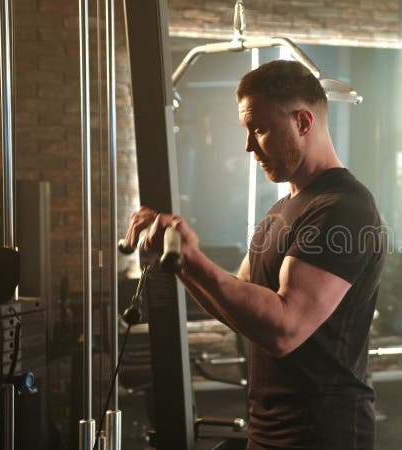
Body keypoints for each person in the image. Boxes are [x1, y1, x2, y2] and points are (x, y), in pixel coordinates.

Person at [123, 60, 385, 450]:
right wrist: (175, 259)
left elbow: (284, 329)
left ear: (303, 122)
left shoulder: (343, 208)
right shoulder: (282, 209)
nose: (249, 146)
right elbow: (240, 296)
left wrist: (192, 260)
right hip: (268, 431)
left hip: (322, 435)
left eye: (259, 128)